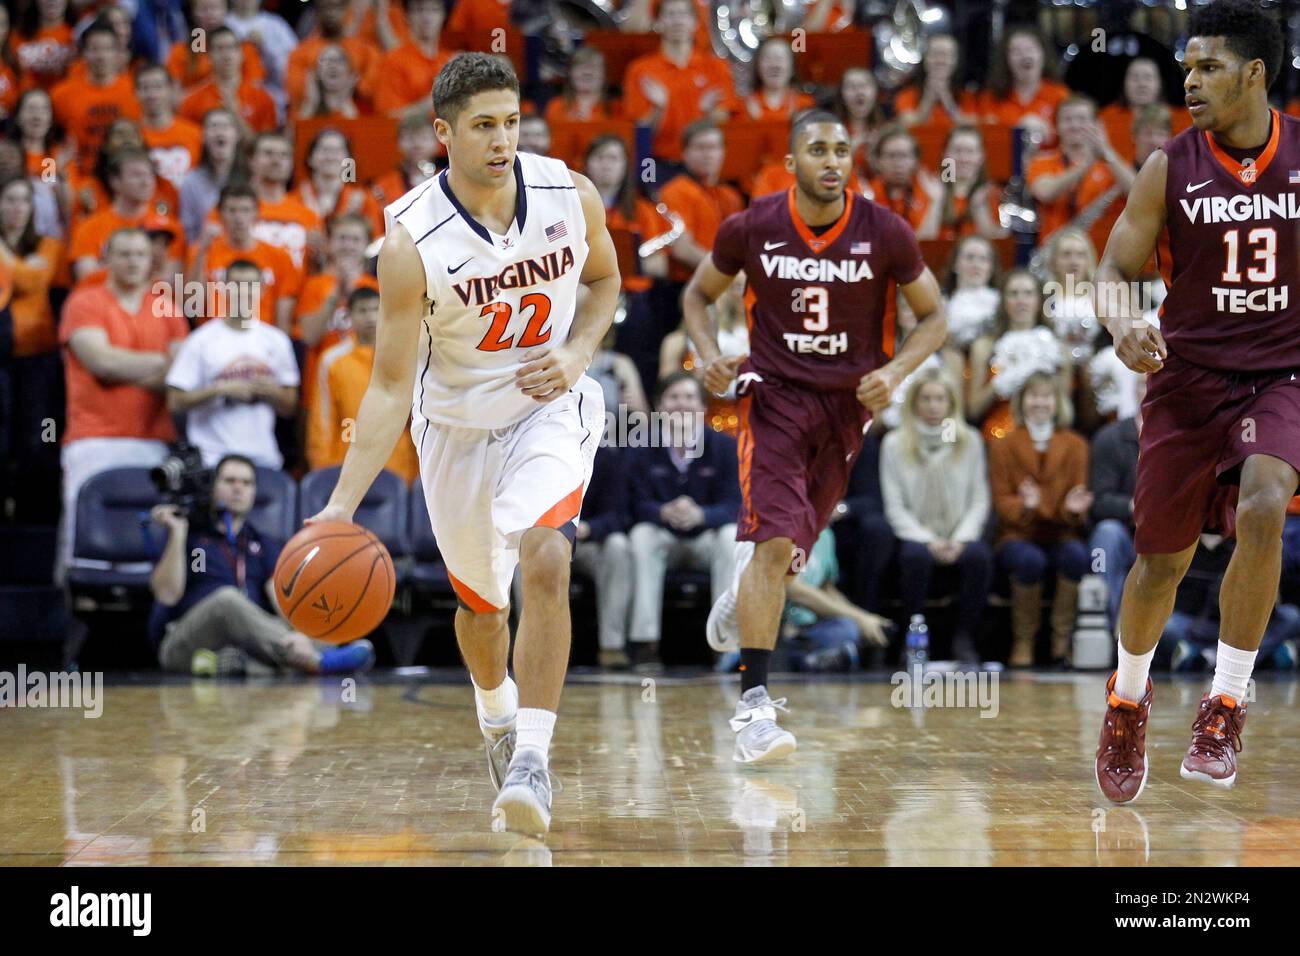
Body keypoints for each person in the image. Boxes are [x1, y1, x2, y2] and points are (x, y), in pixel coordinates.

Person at [303, 54, 618, 836]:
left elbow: (606, 283)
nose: (502, 139)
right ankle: (496, 716)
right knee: (481, 609)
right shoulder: (410, 243)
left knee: (548, 554)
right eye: (483, 125)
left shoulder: (570, 195)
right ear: (443, 133)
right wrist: (339, 510)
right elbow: (386, 387)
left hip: (549, 408)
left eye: (511, 121)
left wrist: (578, 353)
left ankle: (534, 762)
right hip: (454, 429)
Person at [685, 109, 948, 763]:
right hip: (772, 399)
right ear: (791, 160)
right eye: (817, 149)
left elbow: (934, 315)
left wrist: (896, 370)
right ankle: (753, 710)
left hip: (846, 412)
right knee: (774, 544)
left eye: (841, 149)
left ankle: (739, 594)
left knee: (789, 555)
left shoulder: (885, 232)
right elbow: (696, 295)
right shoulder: (753, 226)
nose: (833, 160)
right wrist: (708, 351)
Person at [1093, 0, 1300, 801]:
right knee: (1158, 565)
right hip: (1187, 379)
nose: (1191, 80)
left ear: (1254, 73)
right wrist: (1121, 325)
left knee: (1263, 505)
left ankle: (1224, 700)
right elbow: (1112, 273)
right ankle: (1128, 698)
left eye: (1208, 66)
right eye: (1187, 66)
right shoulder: (1167, 167)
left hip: (1280, 373)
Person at [147, 453, 375, 676]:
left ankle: (269, 662)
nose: (238, 488)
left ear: (254, 492)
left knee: (308, 615)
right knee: (227, 600)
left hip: (247, 639)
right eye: (229, 481)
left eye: (246, 483)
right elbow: (166, 595)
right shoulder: (190, 535)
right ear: (213, 486)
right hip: (184, 642)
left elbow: (282, 598)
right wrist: (178, 533)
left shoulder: (261, 543)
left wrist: (305, 633)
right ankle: (313, 660)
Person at [56, 228, 189, 585]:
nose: (133, 262)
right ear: (107, 258)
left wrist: (122, 368)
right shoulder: (84, 302)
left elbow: (182, 371)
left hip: (154, 440)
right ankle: (70, 623)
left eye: (140, 254)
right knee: (81, 545)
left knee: (147, 546)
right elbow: (101, 362)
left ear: (151, 260)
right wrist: (159, 364)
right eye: (124, 254)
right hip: (93, 438)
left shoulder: (166, 306)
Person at [626, 372, 740, 670]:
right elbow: (633, 504)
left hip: (707, 538)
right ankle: (645, 644)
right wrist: (662, 511)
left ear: (703, 408)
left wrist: (702, 514)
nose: (682, 405)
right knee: (640, 536)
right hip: (663, 536)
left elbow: (735, 506)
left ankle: (725, 642)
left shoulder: (725, 447)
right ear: (660, 406)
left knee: (731, 536)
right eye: (674, 397)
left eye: (690, 398)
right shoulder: (641, 446)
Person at [879, 368, 993, 664]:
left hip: (959, 533)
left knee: (978, 556)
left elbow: (979, 500)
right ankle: (911, 639)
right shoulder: (894, 443)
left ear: (951, 403)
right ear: (914, 403)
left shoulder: (970, 441)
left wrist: (959, 539)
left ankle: (964, 638)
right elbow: (895, 507)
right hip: (916, 534)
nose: (933, 406)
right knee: (915, 557)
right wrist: (929, 541)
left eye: (940, 399)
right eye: (926, 399)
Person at [988, 371, 1092, 667]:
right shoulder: (1003, 445)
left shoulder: (1076, 446)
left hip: (1062, 534)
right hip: (1017, 534)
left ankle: (1061, 640)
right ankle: (1025, 641)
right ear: (1022, 403)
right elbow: (1002, 502)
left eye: (1046, 396)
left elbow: (1078, 498)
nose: (1040, 402)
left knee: (1076, 556)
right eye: (1033, 396)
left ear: (1057, 402)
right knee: (1029, 560)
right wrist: (1027, 507)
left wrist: (1072, 510)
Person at [165, 258, 300, 469]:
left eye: (250, 286)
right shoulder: (201, 339)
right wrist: (220, 389)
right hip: (211, 458)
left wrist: (271, 392)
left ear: (262, 290)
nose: (243, 293)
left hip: (262, 457)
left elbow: (290, 407)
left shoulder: (276, 340)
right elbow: (175, 402)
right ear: (224, 288)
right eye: (236, 286)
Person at [307, 285, 419, 483]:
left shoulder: (406, 356)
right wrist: (323, 471)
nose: (370, 317)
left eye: (376, 309)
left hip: (400, 466)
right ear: (349, 316)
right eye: (362, 310)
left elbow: (419, 416)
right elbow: (323, 420)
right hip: (347, 465)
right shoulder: (333, 360)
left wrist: (420, 471)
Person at [622, 0, 736, 165]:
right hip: (654, 161)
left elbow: (725, 125)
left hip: (703, 164)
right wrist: (658, 109)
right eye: (670, 14)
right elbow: (638, 135)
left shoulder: (716, 67)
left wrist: (706, 113)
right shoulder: (640, 70)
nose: (677, 20)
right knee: (646, 177)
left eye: (683, 14)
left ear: (695, 22)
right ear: (658, 22)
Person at [1088, 374, 1145, 635]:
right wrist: (1133, 508)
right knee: (1106, 533)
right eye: (1145, 383)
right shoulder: (1110, 438)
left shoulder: (1185, 436)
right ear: (1135, 390)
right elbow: (1099, 502)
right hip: (1126, 533)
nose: (1151, 389)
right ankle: (1115, 632)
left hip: (1168, 532)